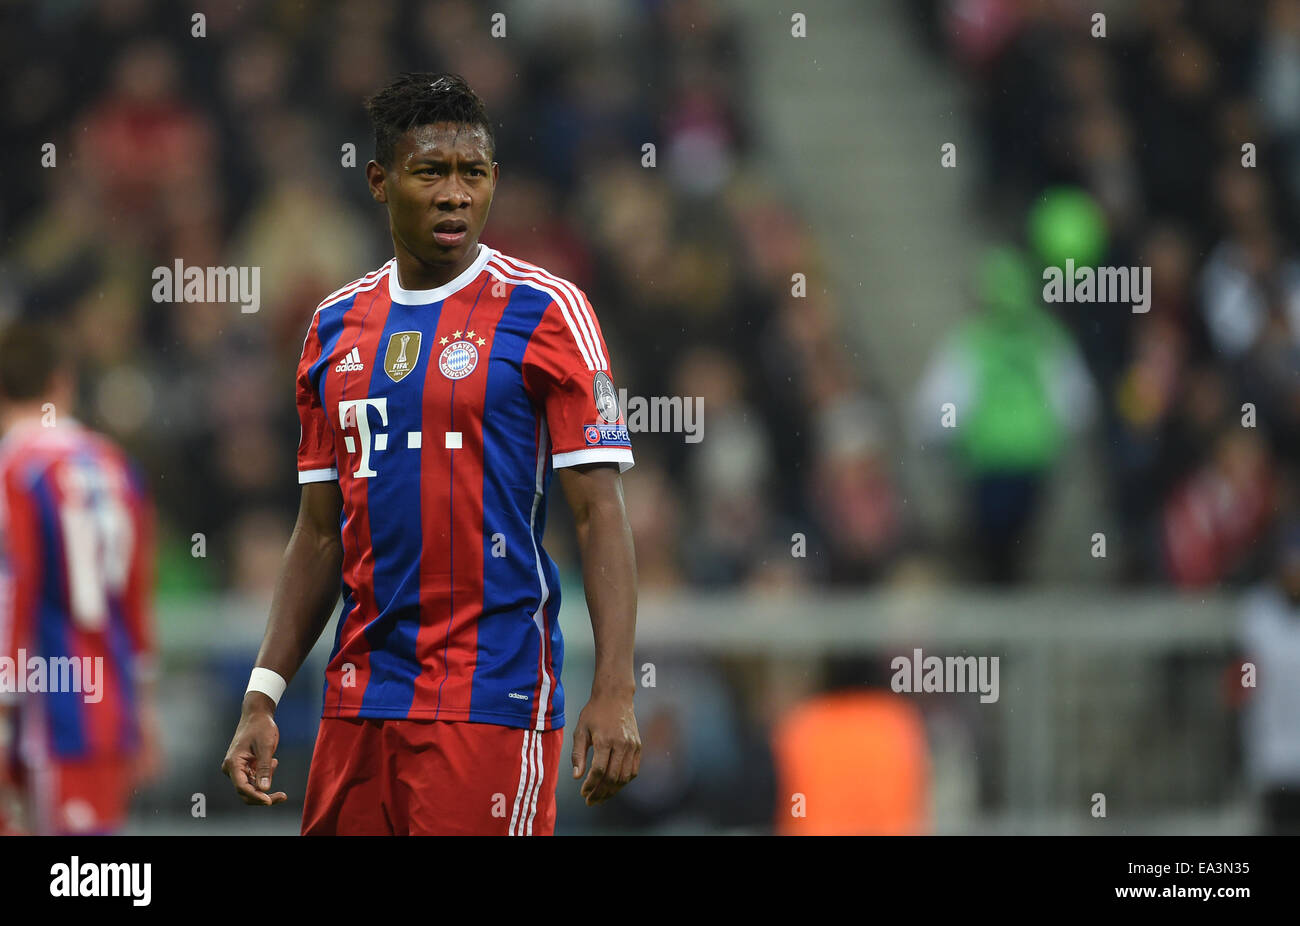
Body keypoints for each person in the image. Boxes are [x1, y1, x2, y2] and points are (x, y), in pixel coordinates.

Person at [221, 73, 641, 835]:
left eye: (472, 174)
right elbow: (319, 531)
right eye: (431, 172)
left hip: (488, 696)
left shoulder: (548, 311)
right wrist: (264, 695)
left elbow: (598, 511)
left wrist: (614, 688)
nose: (455, 194)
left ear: (494, 183)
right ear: (381, 182)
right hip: (359, 700)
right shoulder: (332, 328)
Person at [0, 322, 161, 835]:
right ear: (62, 382)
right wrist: (144, 707)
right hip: (106, 704)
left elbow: (11, 592)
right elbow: (137, 598)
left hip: (46, 713)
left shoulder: (15, 470)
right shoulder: (115, 464)